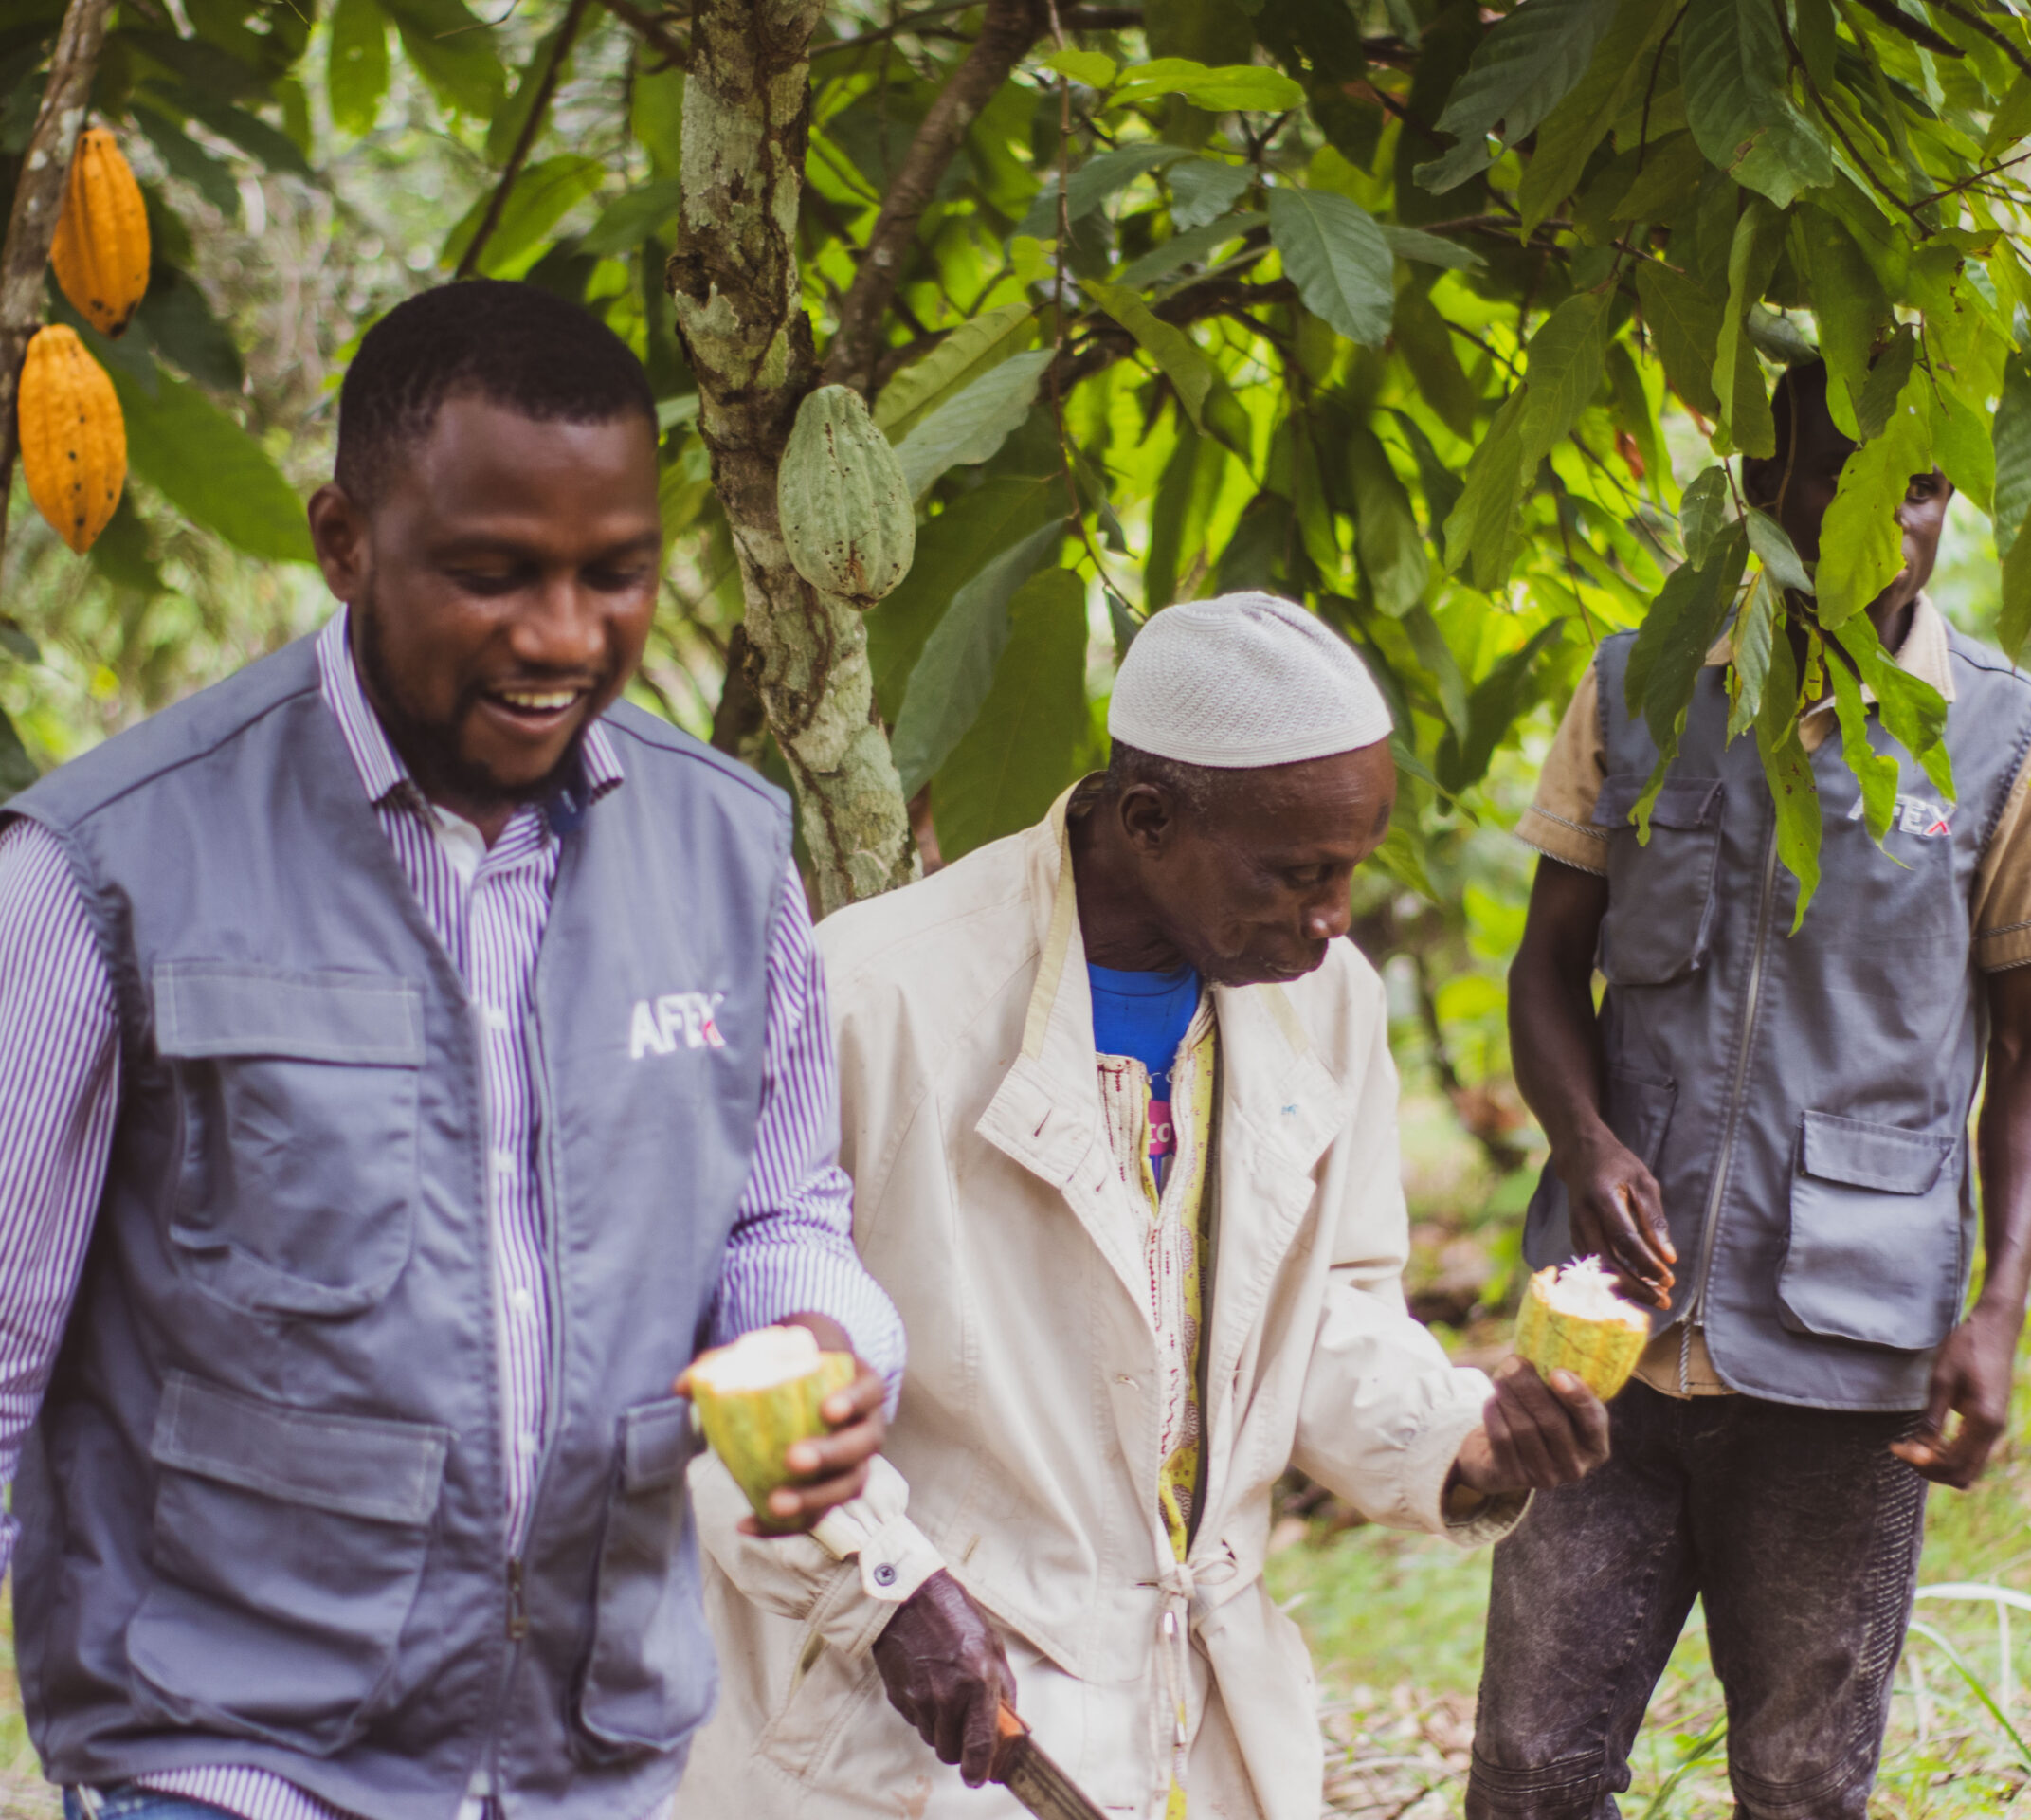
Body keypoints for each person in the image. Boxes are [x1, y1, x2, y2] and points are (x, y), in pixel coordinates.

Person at [0, 280, 902, 1820]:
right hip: (229, 1759)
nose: (563, 636)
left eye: (616, 576)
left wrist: (824, 1344)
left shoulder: (729, 851)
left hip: (591, 1758)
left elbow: (779, 1210)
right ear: (345, 542)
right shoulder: (102, 868)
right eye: (494, 575)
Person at [679, 593, 1612, 1820]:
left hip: (1184, 1710)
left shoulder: (1328, 1006)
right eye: (1296, 874)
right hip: (919, 1721)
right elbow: (739, 1371)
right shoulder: (874, 1001)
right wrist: (885, 1587)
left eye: (1350, 873)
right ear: (1151, 821)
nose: (1331, 918)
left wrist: (1461, 1435)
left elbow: (1321, 1311)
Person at [1466, 360, 2031, 1820]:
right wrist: (1585, 1141)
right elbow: (1543, 967)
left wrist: (2000, 1310)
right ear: (1767, 491)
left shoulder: (2020, 742)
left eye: (1926, 487)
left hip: (1854, 1350)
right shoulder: (1636, 684)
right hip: (1603, 1349)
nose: (1888, 521)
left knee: (1804, 1782)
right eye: (1839, 475)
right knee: (1529, 1770)